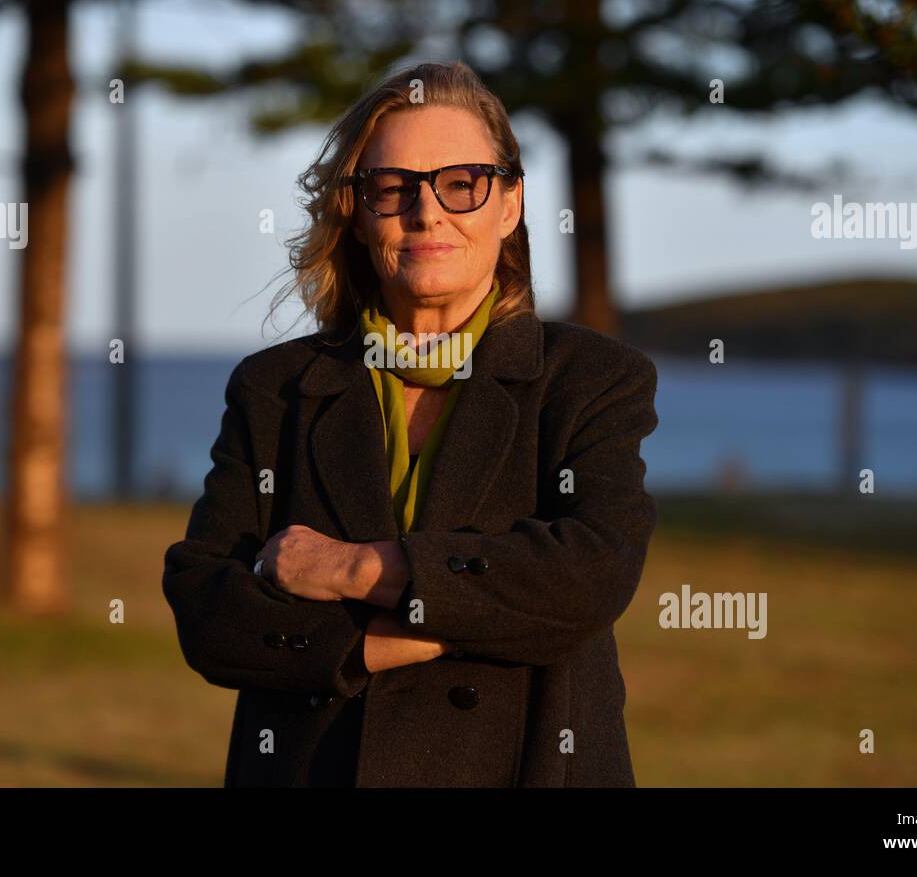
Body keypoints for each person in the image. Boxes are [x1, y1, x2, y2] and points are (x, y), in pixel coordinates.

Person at [162, 60, 659, 787]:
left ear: (510, 205)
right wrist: (377, 645)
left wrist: (353, 569)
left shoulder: (591, 379)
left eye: (462, 183)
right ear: (358, 216)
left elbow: (588, 575)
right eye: (392, 188)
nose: (428, 213)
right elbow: (208, 612)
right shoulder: (277, 388)